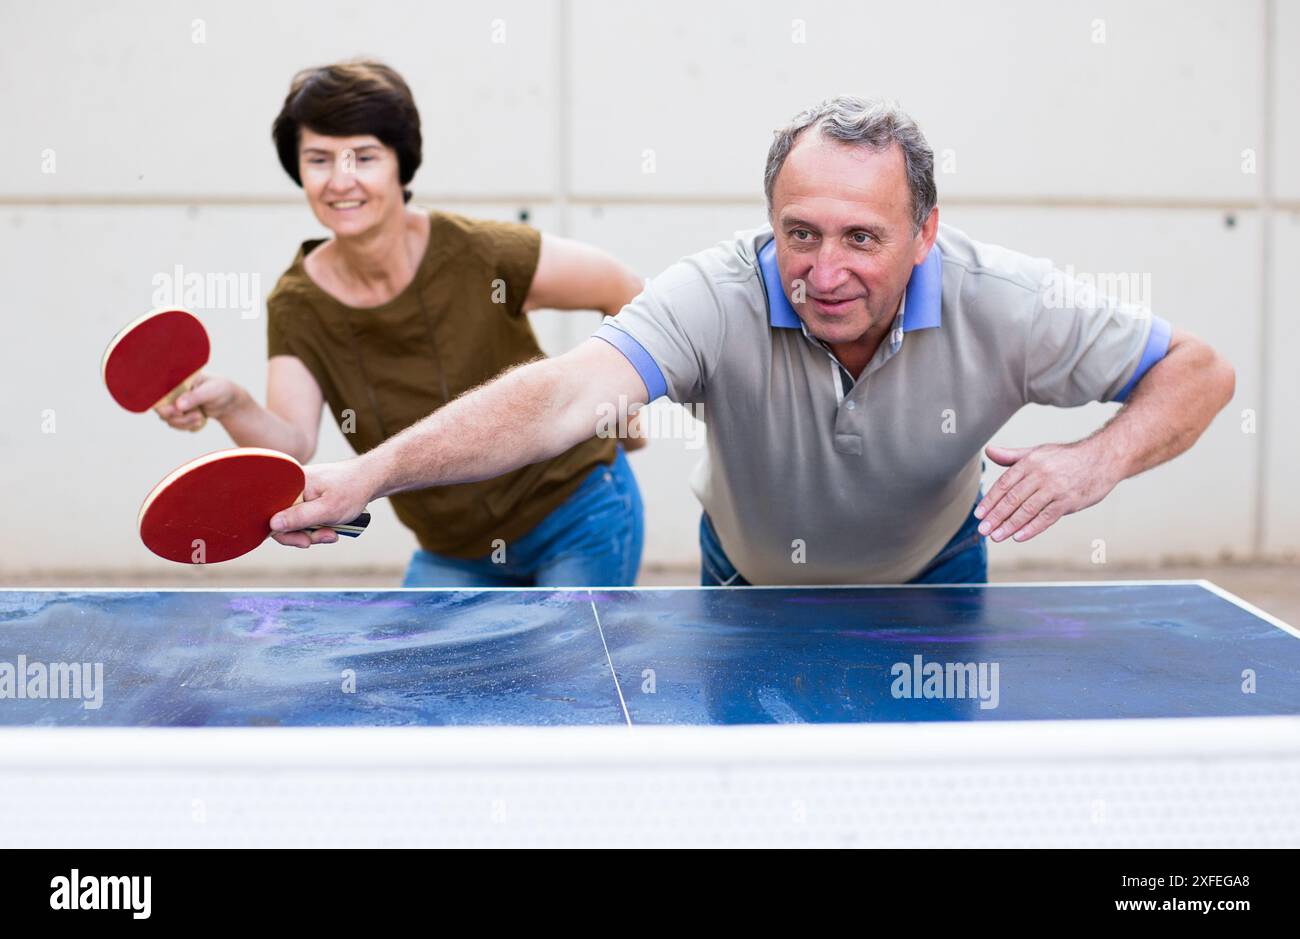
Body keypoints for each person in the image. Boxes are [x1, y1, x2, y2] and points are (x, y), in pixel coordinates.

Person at [265, 95, 1235, 587]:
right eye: (799, 232)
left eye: (862, 237)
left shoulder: (1009, 301)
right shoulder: (716, 291)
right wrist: (368, 475)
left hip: (932, 576)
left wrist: (1092, 461)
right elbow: (563, 394)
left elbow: (1199, 369)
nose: (822, 270)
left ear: (925, 233)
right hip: (745, 579)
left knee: (930, 794)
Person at [158, 60, 647, 586]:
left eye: (364, 157)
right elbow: (291, 446)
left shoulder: (482, 254)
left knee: (573, 671)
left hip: (578, 515)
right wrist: (233, 402)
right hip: (453, 549)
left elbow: (623, 290)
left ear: (400, 164)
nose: (340, 180)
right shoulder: (297, 303)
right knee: (414, 670)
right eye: (318, 159)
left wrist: (621, 411)